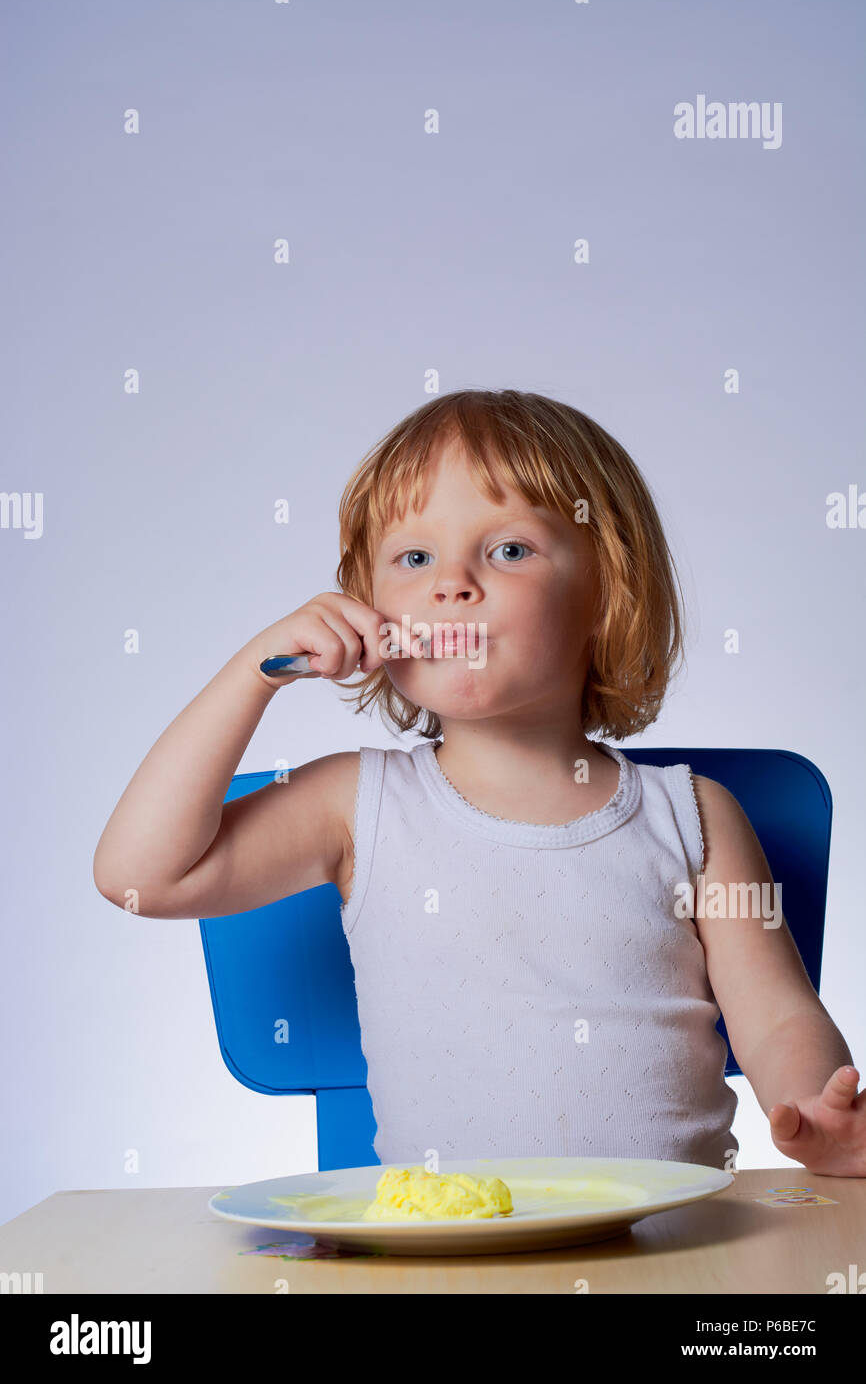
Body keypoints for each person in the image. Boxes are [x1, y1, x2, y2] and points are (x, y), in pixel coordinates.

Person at [93, 388, 863, 1176]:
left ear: (606, 593)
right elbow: (140, 878)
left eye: (508, 550)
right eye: (414, 558)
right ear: (370, 609)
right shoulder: (354, 807)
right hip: (449, 1257)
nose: (451, 583)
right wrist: (253, 672)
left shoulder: (694, 817)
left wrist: (815, 1107)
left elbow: (775, 1017)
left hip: (668, 1251)